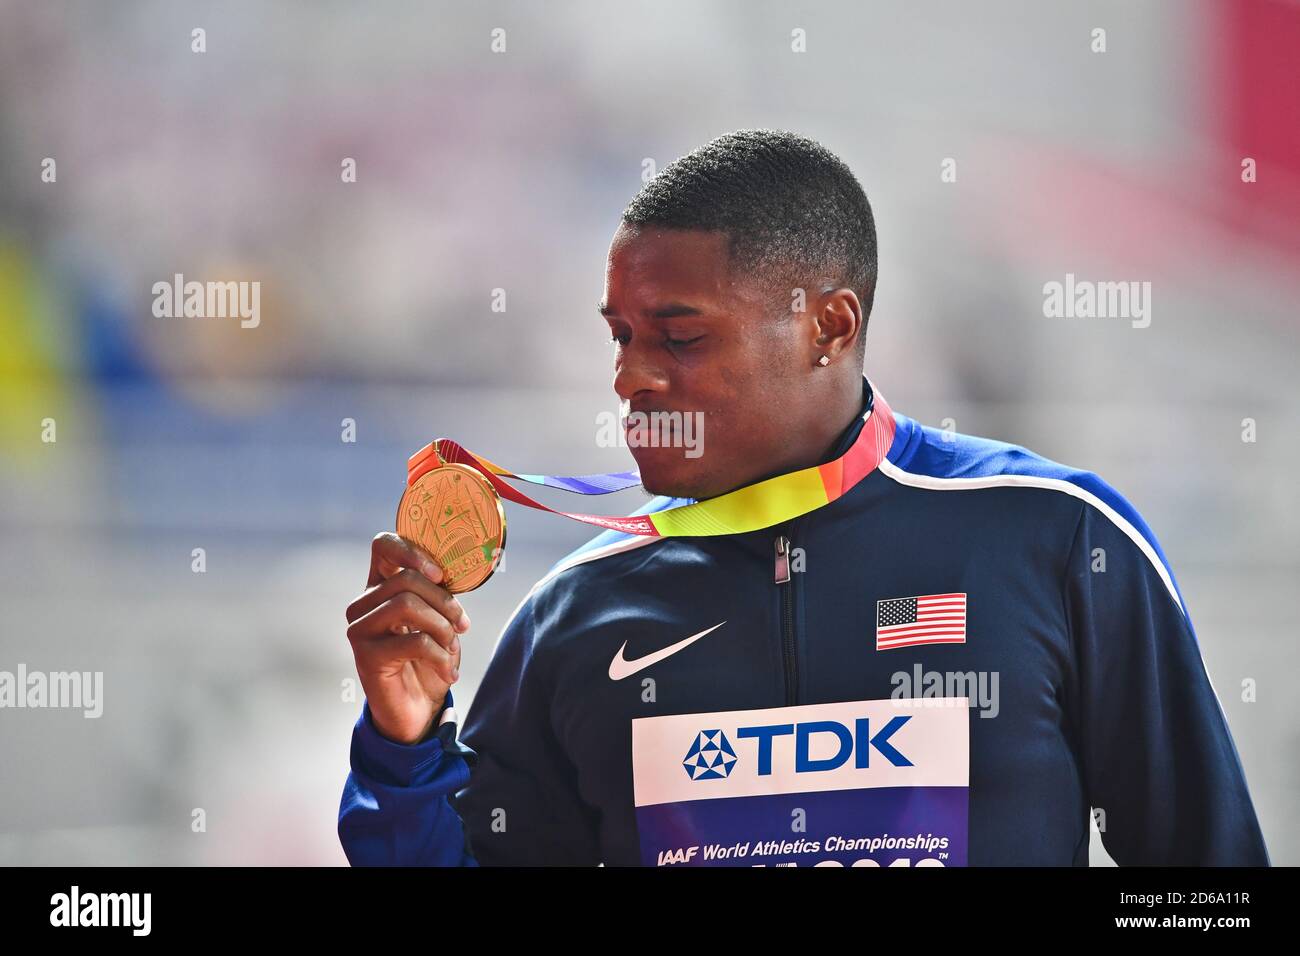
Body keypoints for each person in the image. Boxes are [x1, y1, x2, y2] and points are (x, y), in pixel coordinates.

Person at [337, 129, 1269, 866]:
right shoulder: (575, 619)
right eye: (620, 336)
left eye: (679, 336)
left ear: (828, 326)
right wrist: (403, 742)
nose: (631, 378)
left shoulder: (1057, 540)